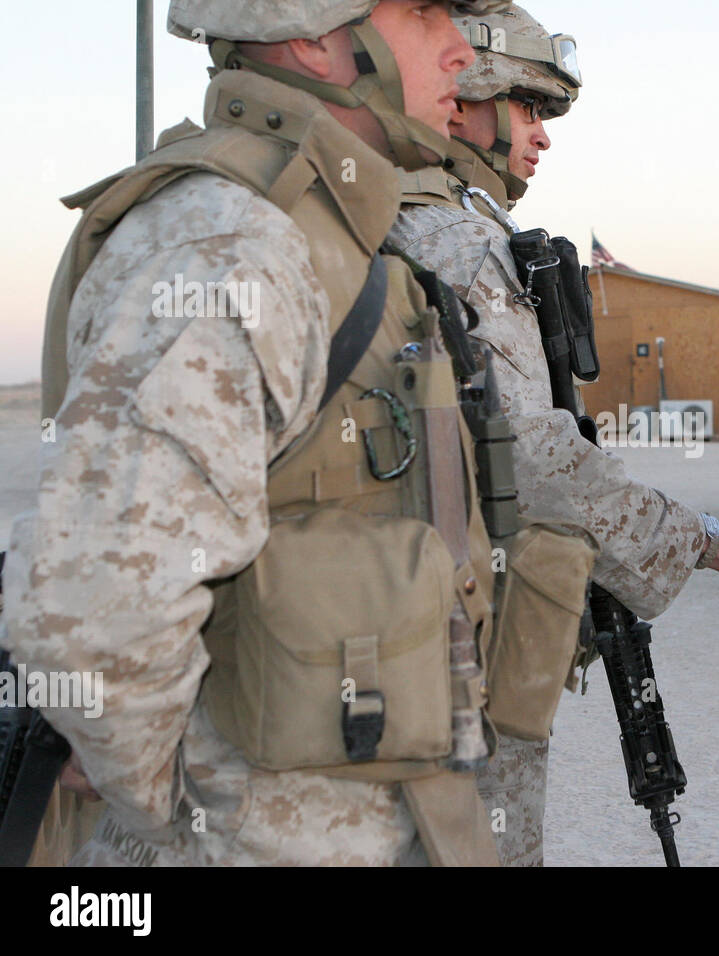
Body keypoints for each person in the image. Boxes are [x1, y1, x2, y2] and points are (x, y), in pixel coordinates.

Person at [0, 0, 531, 867]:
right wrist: (174, 803)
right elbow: (97, 605)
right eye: (429, 13)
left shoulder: (324, 229)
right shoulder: (234, 241)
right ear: (317, 38)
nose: (459, 56)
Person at [386, 3, 719, 866]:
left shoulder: (389, 213)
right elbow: (533, 454)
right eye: (528, 108)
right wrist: (714, 542)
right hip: (451, 657)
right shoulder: (457, 241)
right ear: (465, 99)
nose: (542, 136)